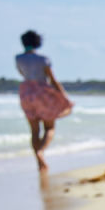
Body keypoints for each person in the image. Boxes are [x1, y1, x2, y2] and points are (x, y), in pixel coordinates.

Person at [16, 30, 72, 172]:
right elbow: (52, 80)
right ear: (38, 42)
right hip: (42, 92)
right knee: (50, 127)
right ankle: (41, 151)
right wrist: (64, 95)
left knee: (34, 130)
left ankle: (38, 161)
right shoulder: (43, 59)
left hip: (26, 93)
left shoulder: (18, 58)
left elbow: (22, 74)